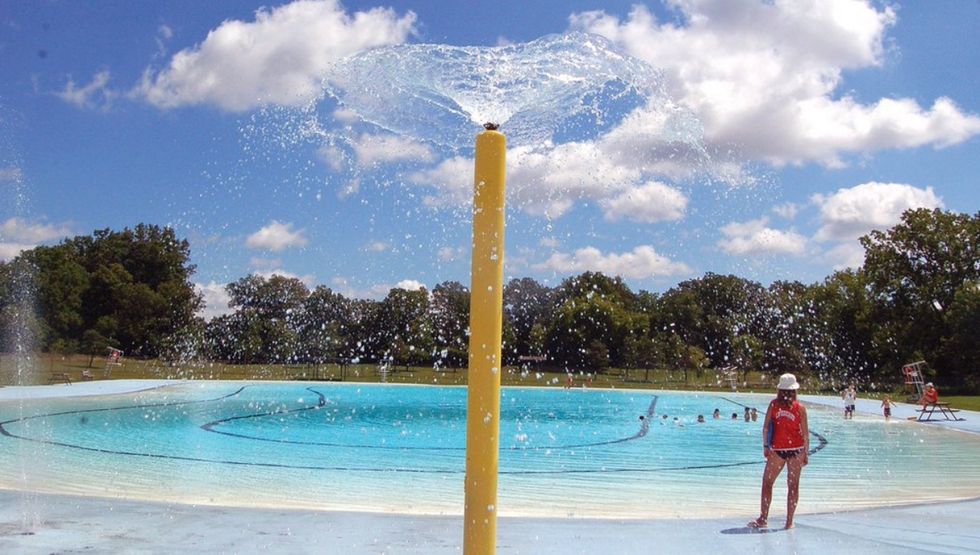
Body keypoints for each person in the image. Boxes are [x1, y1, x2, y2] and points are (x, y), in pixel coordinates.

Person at [748, 373, 809, 530]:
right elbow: (805, 432)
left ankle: (763, 518)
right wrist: (806, 452)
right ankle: (789, 521)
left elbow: (766, 426)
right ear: (794, 390)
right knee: (793, 486)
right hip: (796, 450)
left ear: (779, 390)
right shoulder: (800, 408)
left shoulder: (774, 405)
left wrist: (765, 446)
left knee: (767, 483)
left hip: (778, 450)